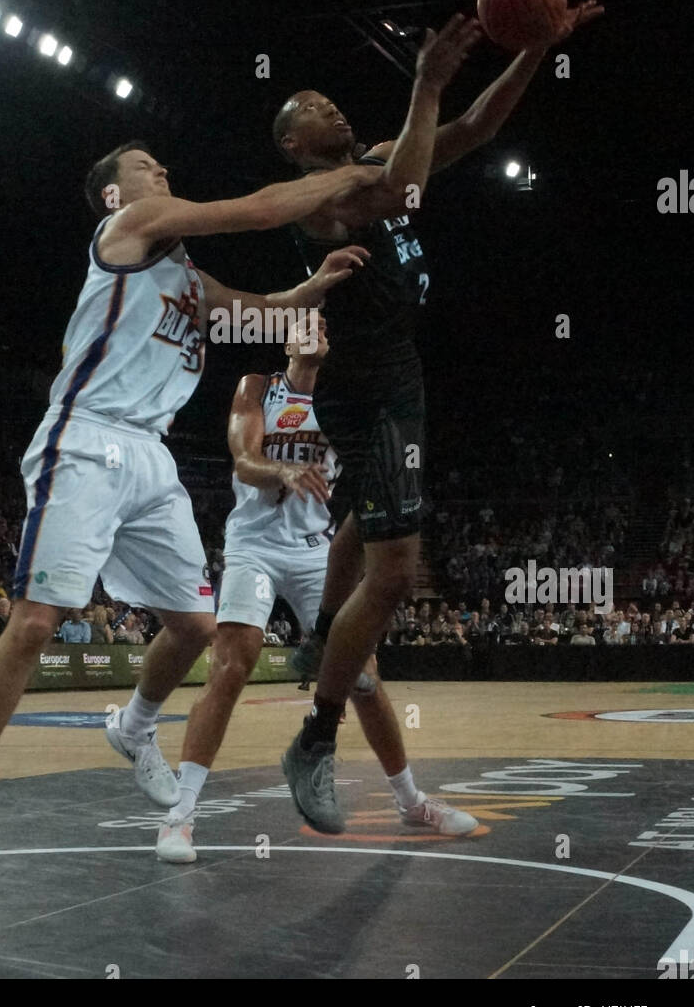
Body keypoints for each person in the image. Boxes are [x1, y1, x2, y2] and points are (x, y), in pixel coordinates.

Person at [0, 138, 378, 884]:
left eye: (163, 167)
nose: (161, 172)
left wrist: (312, 286)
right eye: (144, 168)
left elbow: (259, 316)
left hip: (151, 454)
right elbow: (256, 210)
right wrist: (348, 178)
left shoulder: (187, 276)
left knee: (197, 626)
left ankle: (132, 728)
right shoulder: (127, 230)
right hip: (87, 435)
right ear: (114, 194)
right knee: (37, 620)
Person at [277, 0, 603, 832]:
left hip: (400, 375)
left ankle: (320, 632)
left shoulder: (382, 153)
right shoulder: (313, 198)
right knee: (394, 573)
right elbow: (400, 192)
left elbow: (476, 126)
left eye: (333, 102)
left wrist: (532, 49)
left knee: (367, 526)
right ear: (292, 141)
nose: (334, 110)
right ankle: (316, 736)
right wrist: (422, 80)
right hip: (366, 384)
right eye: (314, 109)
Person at [156, 318, 475, 861]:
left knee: (365, 678)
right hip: (253, 544)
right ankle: (180, 815)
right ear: (288, 341)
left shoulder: (341, 400)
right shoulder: (256, 386)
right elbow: (243, 457)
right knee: (234, 662)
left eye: (325, 326)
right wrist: (280, 471)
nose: (317, 329)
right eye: (307, 323)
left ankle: (411, 800)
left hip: (315, 550)